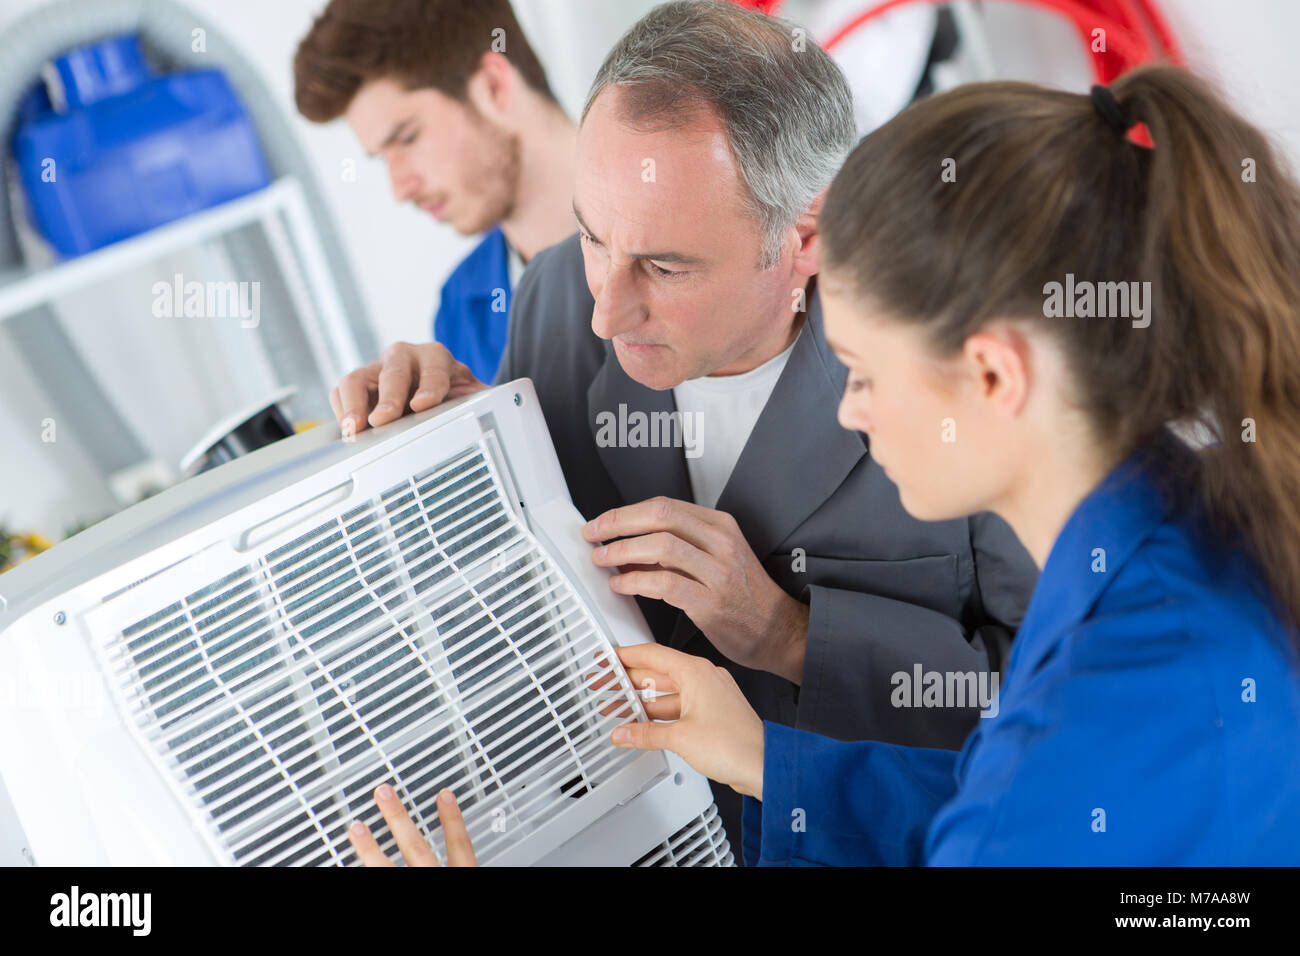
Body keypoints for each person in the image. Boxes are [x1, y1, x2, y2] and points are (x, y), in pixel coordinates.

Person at [351, 63, 1300, 867]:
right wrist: (771, 759)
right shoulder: (1187, 532)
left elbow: (1013, 806)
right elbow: (1000, 794)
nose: (849, 407)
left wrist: (794, 638)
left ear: (992, 373)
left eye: (863, 371)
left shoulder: (1101, 714)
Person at [332, 0, 1038, 856]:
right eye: (595, 237)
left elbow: (1049, 714)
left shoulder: (960, 370)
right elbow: (525, 601)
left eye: (666, 267)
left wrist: (793, 636)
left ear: (804, 236)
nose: (606, 313)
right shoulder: (555, 296)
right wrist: (458, 445)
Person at [294, 0, 578, 383]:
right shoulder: (460, 311)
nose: (400, 188)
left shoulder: (677, 212)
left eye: (408, 137)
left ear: (493, 87)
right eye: (382, 158)